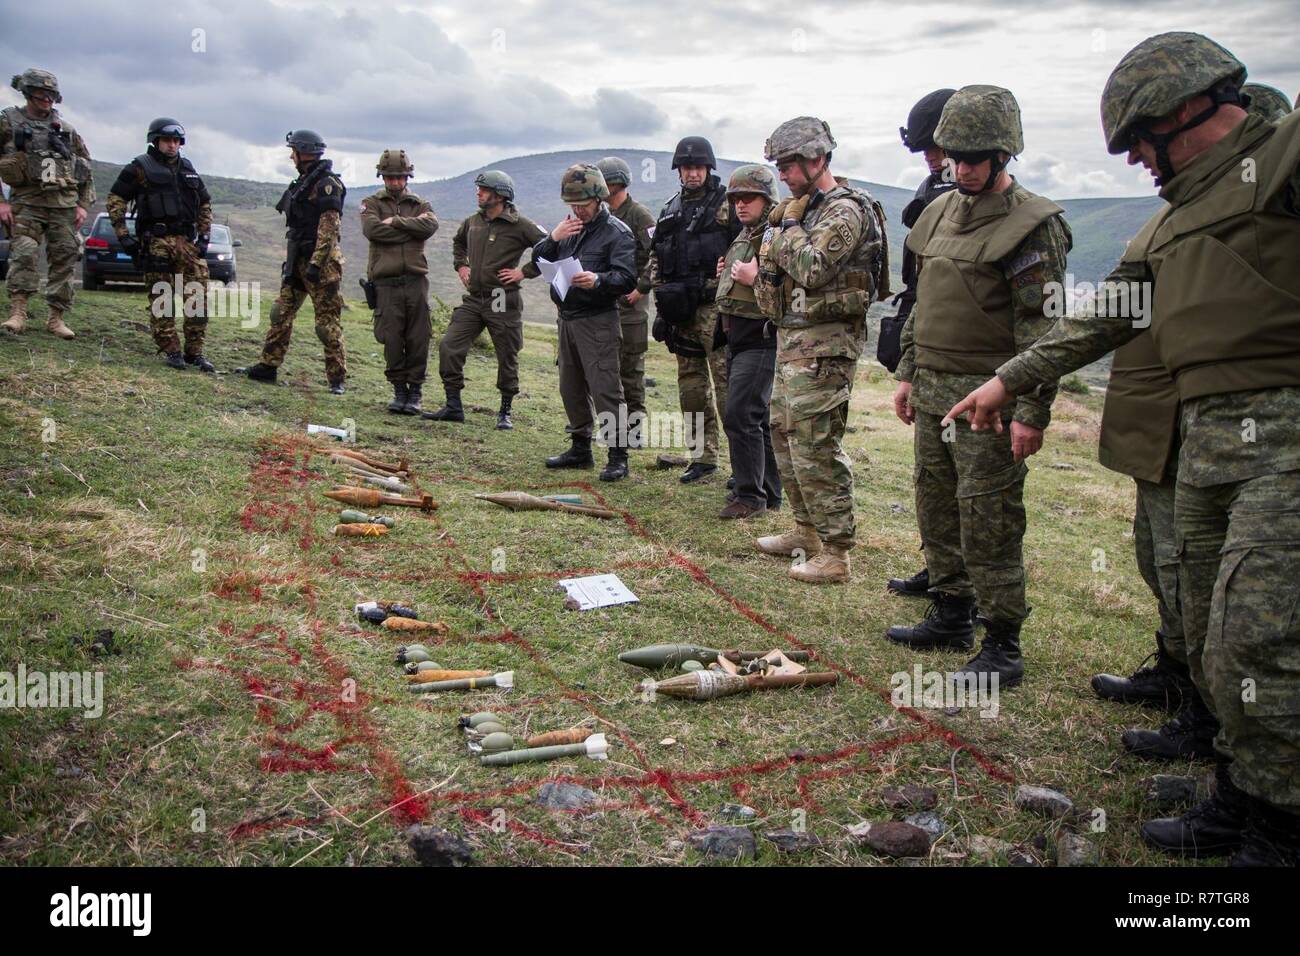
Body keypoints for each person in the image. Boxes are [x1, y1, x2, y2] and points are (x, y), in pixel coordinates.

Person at [944, 32, 1300, 865]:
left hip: (1286, 437)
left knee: (1263, 637)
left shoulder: (1281, 164)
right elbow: (1105, 314)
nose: (1137, 159)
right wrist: (1010, 380)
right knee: (1213, 637)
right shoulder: (1172, 220)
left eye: (1141, 139)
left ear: (1189, 107)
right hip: (1206, 441)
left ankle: (1283, 830)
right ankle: (1242, 797)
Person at [886, 86, 1072, 689]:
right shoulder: (939, 212)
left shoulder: (1033, 226)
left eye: (973, 157)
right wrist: (909, 370)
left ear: (1003, 155)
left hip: (990, 395)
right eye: (952, 155)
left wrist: (1031, 410)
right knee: (935, 502)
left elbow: (1043, 328)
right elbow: (925, 302)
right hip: (935, 385)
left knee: (988, 514)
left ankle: (1002, 642)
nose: (960, 167)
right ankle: (950, 612)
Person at [753, 116, 888, 584]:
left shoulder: (844, 211)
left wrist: (787, 229)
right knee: (785, 438)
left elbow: (811, 268)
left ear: (817, 159)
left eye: (789, 166)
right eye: (780, 167)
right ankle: (806, 531)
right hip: (792, 340)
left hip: (826, 347)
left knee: (816, 445)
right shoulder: (805, 209)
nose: (784, 176)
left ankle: (836, 552)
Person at [884, 89, 958, 600]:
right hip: (927, 338)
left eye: (937, 146)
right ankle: (942, 568)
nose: (931, 157)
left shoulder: (985, 202)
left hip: (973, 360)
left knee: (972, 490)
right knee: (932, 479)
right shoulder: (931, 189)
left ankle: (965, 591)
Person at [532, 164, 637, 481]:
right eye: (572, 205)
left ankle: (618, 456)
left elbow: (627, 278)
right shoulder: (568, 228)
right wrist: (552, 238)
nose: (577, 210)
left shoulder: (617, 233)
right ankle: (580, 449)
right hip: (567, 320)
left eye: (583, 205)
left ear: (599, 199)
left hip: (598, 321)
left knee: (606, 389)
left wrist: (598, 280)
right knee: (571, 387)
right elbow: (538, 262)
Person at [425, 170, 544, 429]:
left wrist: (523, 272)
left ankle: (505, 412)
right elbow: (458, 243)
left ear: (500, 195)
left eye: (484, 189)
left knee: (506, 353)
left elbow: (548, 249)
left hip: (502, 297)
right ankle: (453, 406)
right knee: (449, 345)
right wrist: (461, 266)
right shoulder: (473, 222)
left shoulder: (520, 224)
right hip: (474, 298)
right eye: (479, 189)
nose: (478, 193)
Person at [649, 136, 737, 483]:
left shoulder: (728, 207)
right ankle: (702, 458)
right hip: (681, 313)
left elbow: (745, 250)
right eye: (686, 167)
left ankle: (745, 464)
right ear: (679, 171)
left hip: (717, 310)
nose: (692, 173)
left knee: (729, 389)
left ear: (708, 168)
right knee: (691, 390)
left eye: (698, 167)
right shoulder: (670, 209)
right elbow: (656, 259)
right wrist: (661, 307)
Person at [242, 130, 347, 393]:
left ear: (304, 153)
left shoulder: (326, 184)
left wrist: (315, 264)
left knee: (326, 323)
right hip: (297, 258)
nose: (291, 157)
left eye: (294, 152)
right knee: (281, 313)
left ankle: (336, 378)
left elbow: (329, 228)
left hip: (320, 264)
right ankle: (268, 365)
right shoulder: (303, 182)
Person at [106, 118, 214, 371]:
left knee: (197, 298)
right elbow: (116, 199)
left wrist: (205, 236)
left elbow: (205, 203)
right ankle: (170, 349)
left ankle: (194, 352)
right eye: (167, 140)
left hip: (187, 243)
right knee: (162, 298)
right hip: (156, 242)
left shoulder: (187, 168)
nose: (172, 145)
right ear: (155, 141)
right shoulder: (139, 167)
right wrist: (123, 236)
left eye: (176, 141)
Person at [0, 68, 93, 340]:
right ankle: (18, 313)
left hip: (63, 205)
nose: (47, 100)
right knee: (24, 254)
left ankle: (56, 318)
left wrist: (83, 205)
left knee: (65, 256)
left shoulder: (66, 129)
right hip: (27, 202)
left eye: (51, 95)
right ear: (28, 93)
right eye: (41, 94)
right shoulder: (9, 122)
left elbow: (86, 167)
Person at [715, 164, 782, 519]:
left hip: (761, 339)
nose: (741, 205)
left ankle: (749, 497)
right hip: (737, 337)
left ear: (766, 199)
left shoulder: (776, 235)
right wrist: (726, 275)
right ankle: (768, 492)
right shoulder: (747, 234)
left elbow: (787, 290)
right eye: (736, 199)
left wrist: (753, 278)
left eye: (749, 198)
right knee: (756, 418)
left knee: (740, 415)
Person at [359, 148, 438, 415]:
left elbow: (430, 226)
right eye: (390, 177)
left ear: (408, 177)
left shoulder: (420, 204)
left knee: (418, 337)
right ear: (382, 177)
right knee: (392, 337)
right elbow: (372, 230)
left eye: (400, 177)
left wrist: (397, 222)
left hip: (416, 280)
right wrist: (410, 230)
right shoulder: (371, 203)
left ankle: (415, 391)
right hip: (386, 282)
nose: (395, 182)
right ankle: (399, 390)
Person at [597, 156, 655, 445]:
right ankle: (611, 427)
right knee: (607, 367)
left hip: (632, 303)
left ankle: (635, 430)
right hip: (607, 301)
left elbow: (658, 255)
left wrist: (641, 288)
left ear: (614, 183)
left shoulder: (639, 215)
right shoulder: (603, 216)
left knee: (632, 368)